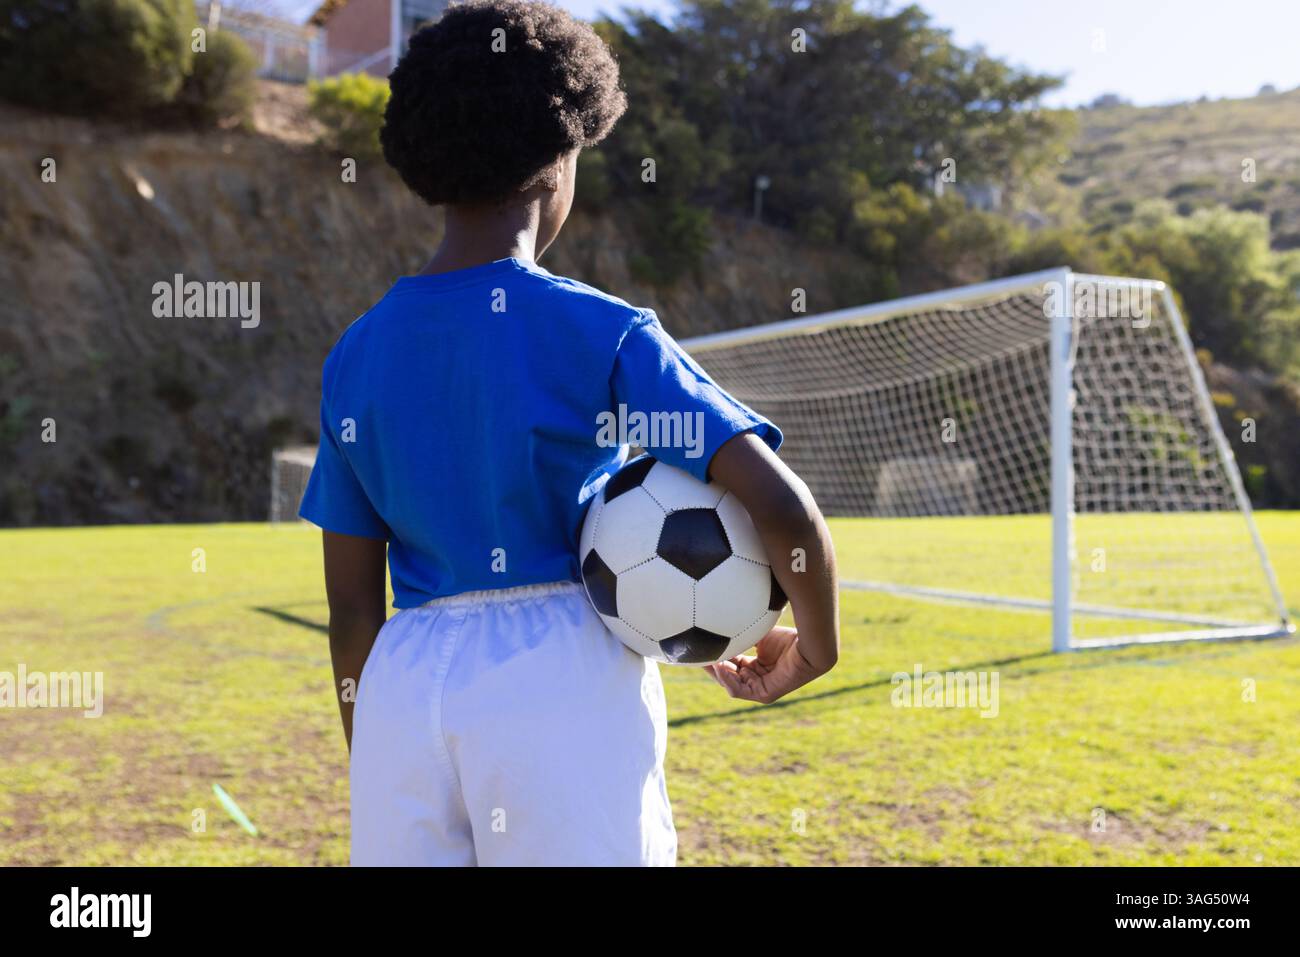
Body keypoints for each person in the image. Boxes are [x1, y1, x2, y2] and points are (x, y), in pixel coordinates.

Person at [300, 0, 839, 867]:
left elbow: (352, 603)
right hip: (559, 675)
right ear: (560, 163)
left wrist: (383, 753)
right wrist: (815, 640)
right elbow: (780, 502)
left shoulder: (355, 354)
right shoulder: (603, 332)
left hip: (400, 678)